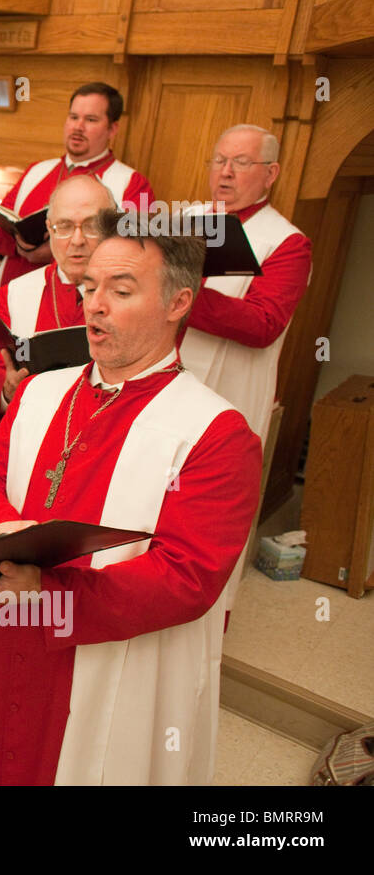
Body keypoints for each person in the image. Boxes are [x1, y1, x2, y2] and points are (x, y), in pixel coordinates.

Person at [0, 221, 261, 785]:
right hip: (5, 622)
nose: (94, 307)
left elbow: (190, 576)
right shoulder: (40, 391)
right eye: (88, 288)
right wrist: (10, 536)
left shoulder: (214, 431)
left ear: (179, 302)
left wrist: (48, 590)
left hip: (106, 655)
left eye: (121, 291)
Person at [181, 123, 312, 612]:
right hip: (163, 379)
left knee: (204, 517)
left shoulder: (287, 242)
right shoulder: (186, 219)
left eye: (241, 162)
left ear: (271, 173)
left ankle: (203, 618)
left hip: (228, 394)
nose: (226, 172)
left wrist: (183, 295)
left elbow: (263, 324)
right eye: (219, 160)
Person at [0, 175, 115, 427]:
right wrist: (6, 391)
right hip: (23, 437)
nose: (77, 240)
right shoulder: (15, 293)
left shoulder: (135, 297)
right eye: (64, 226)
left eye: (91, 225)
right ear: (49, 229)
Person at [0, 82, 154, 289]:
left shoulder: (132, 184)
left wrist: (57, 250)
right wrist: (21, 247)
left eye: (91, 119)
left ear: (112, 129)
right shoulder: (37, 171)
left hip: (81, 299)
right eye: (73, 117)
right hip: (13, 288)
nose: (78, 127)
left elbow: (137, 251)